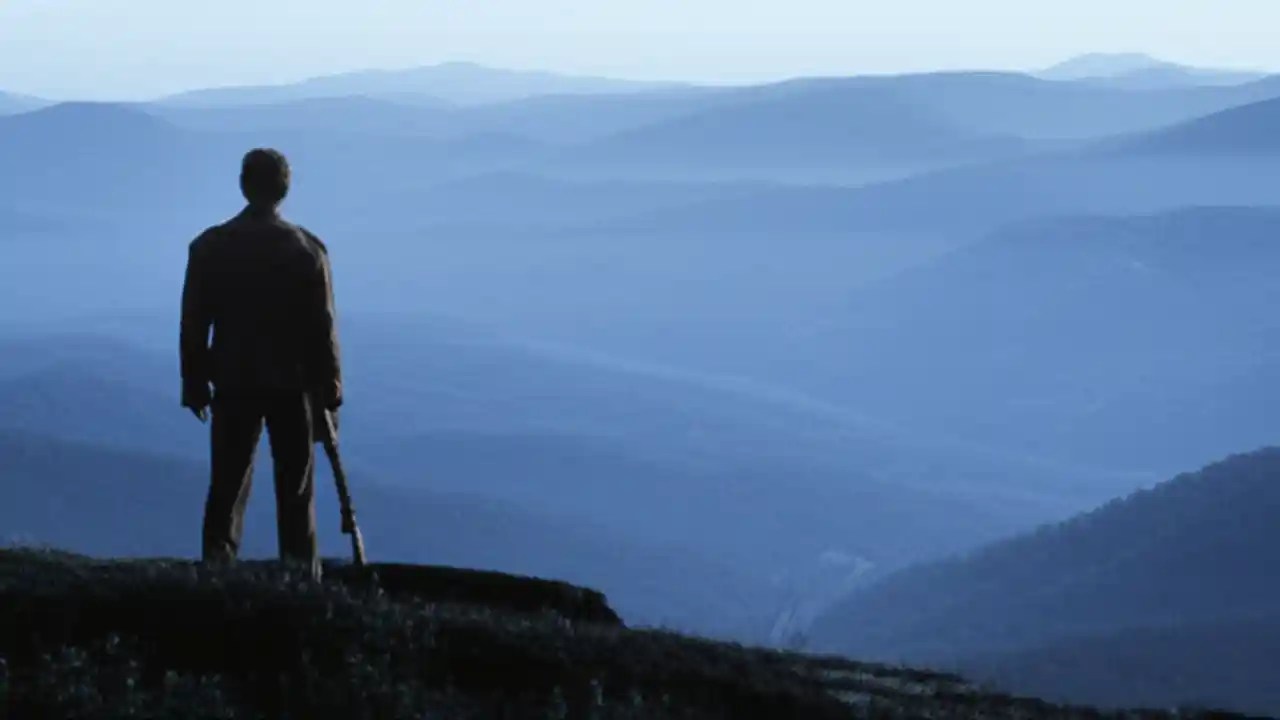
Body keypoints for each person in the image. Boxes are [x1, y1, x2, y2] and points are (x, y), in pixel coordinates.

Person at [179, 148, 342, 580]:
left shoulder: (210, 246)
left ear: (244, 185)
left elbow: (195, 323)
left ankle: (217, 570)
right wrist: (331, 394)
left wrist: (194, 384)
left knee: (227, 485)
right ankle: (301, 577)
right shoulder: (307, 250)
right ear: (284, 188)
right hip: (294, 386)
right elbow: (322, 328)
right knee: (296, 490)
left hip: (234, 381)